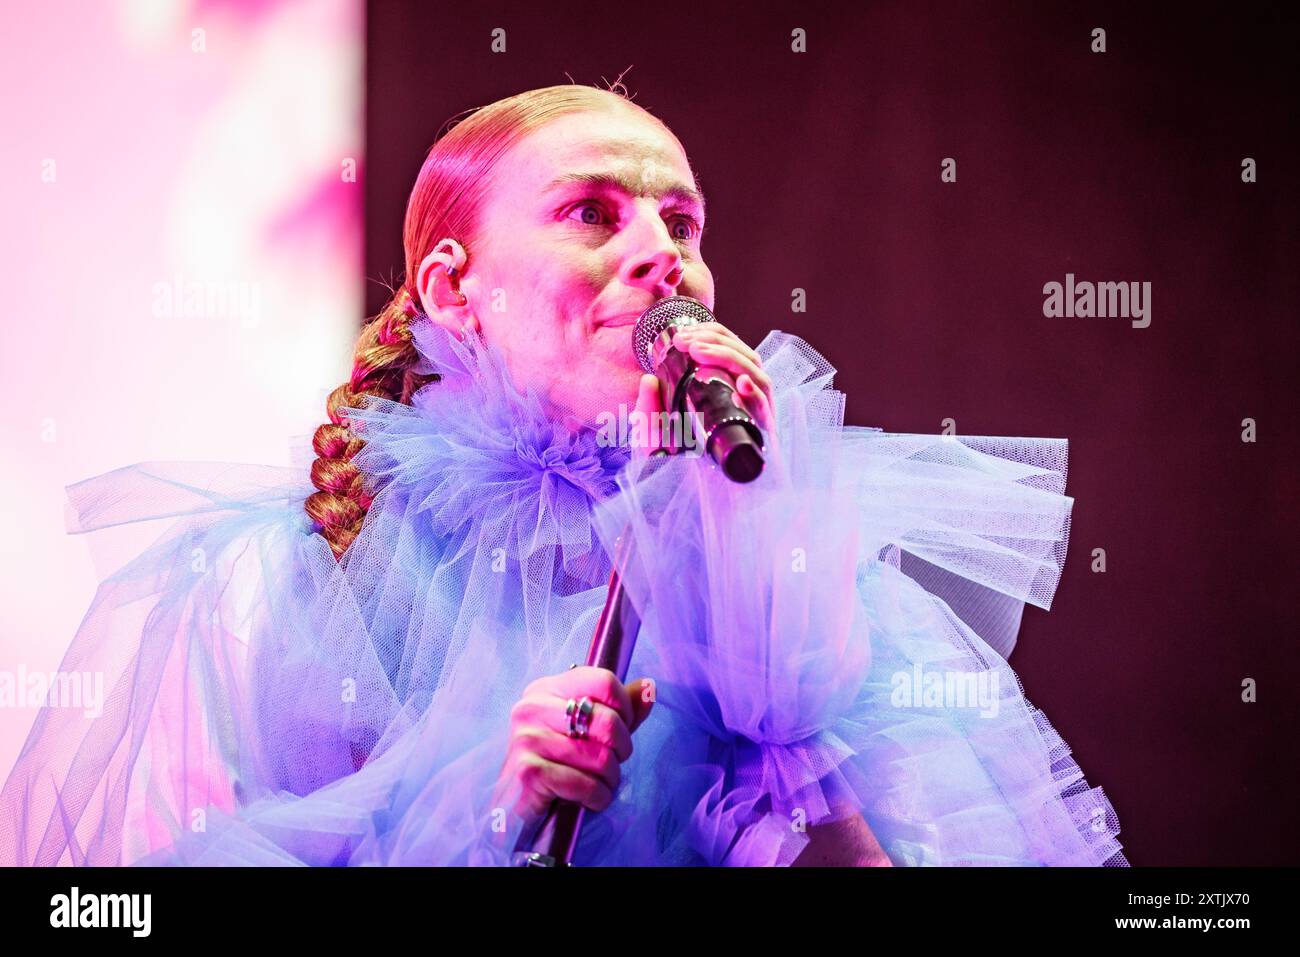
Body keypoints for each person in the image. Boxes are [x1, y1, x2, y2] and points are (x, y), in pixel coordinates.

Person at [0, 83, 1126, 867]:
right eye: (591, 212)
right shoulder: (305, 576)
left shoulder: (786, 557)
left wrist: (751, 574)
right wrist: (499, 814)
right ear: (453, 288)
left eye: (680, 221)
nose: (660, 252)